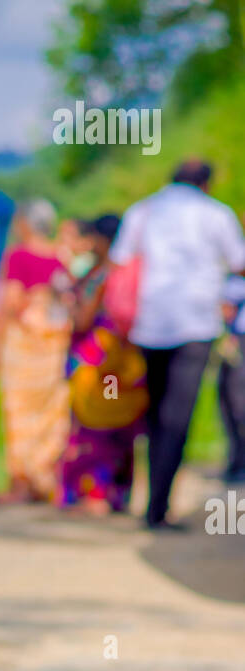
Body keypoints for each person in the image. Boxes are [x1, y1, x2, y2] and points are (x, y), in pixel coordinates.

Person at [109, 159, 245, 528]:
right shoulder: (216, 214)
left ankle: (152, 501)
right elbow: (239, 261)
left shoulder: (143, 210)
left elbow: (119, 261)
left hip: (148, 324)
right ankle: (158, 506)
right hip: (195, 324)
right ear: (205, 184)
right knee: (177, 417)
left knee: (154, 413)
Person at [59, 215, 148, 514]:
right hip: (127, 363)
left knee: (93, 429)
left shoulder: (101, 275)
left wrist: (70, 304)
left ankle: (94, 494)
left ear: (102, 239)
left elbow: (83, 319)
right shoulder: (137, 271)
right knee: (121, 429)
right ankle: (117, 494)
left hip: (98, 362)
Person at [0, 199, 74, 501]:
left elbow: (10, 303)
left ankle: (21, 482)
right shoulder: (61, 258)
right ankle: (43, 477)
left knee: (18, 409)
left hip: (24, 345)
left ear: (25, 223)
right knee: (50, 410)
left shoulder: (19, 256)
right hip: (53, 347)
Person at [217, 274, 245, 485]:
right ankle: (236, 461)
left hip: (239, 340)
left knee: (236, 404)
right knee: (229, 402)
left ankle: (239, 463)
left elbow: (226, 308)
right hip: (233, 340)